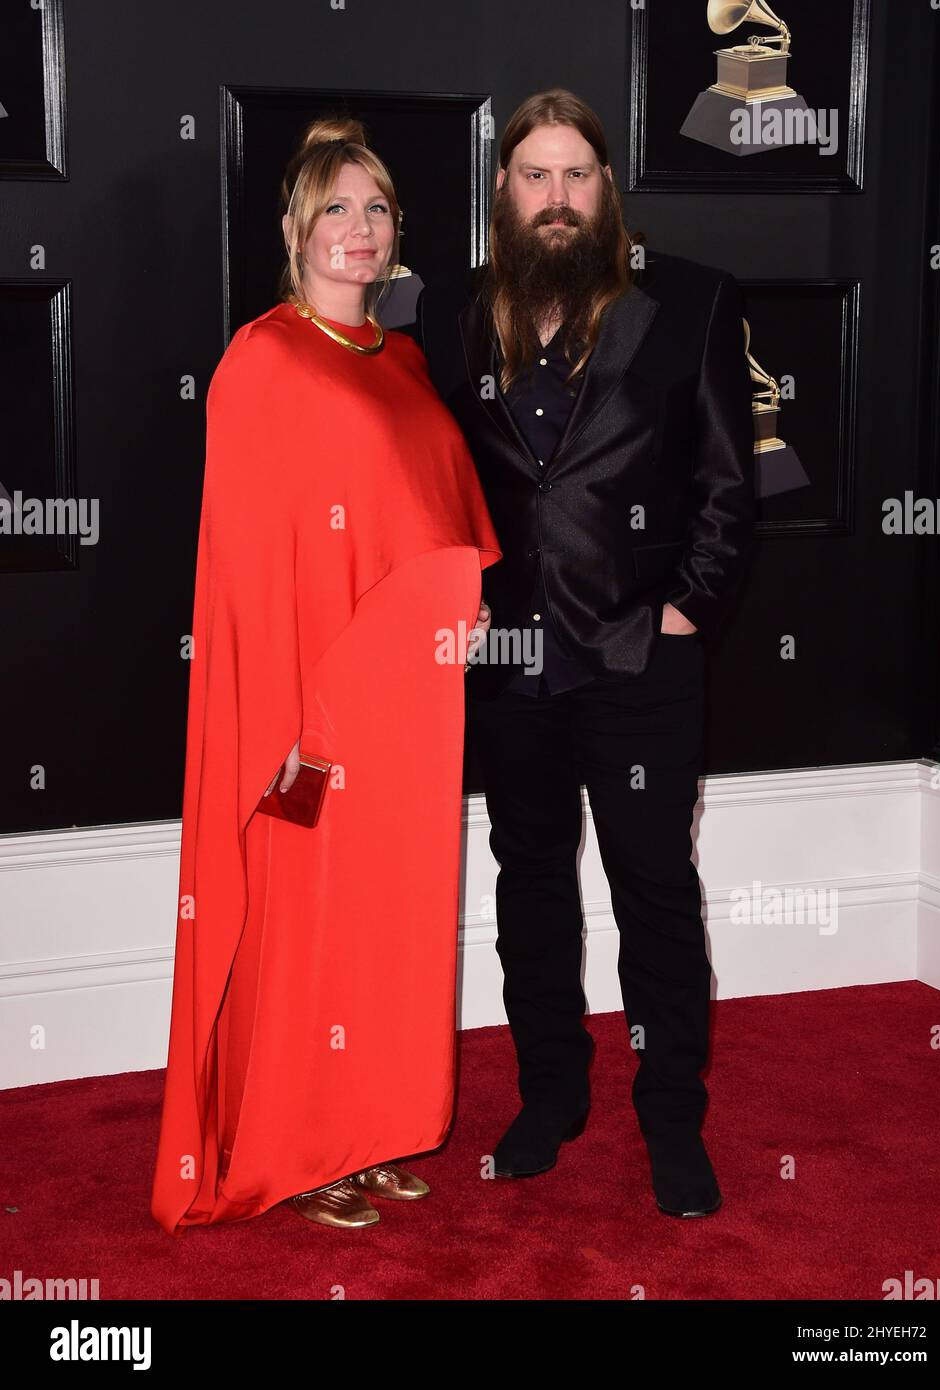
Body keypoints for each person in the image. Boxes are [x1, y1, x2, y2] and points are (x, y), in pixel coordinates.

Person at [150, 116, 501, 1235]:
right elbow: (246, 564)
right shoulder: (262, 358)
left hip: (411, 703)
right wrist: (290, 719)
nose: (359, 230)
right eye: (337, 209)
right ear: (297, 229)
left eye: (378, 209)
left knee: (392, 919)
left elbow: (435, 516)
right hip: (319, 709)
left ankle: (377, 1129)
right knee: (309, 924)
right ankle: (301, 1150)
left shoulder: (396, 357)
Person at [416, 89, 755, 1218]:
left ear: (605, 191)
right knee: (529, 891)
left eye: (575, 176)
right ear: (502, 194)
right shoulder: (451, 321)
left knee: (654, 890)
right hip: (512, 662)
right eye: (533, 176)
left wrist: (687, 610)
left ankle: (670, 1117)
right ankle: (549, 1096)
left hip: (636, 662)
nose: (555, 198)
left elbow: (724, 483)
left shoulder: (687, 304)